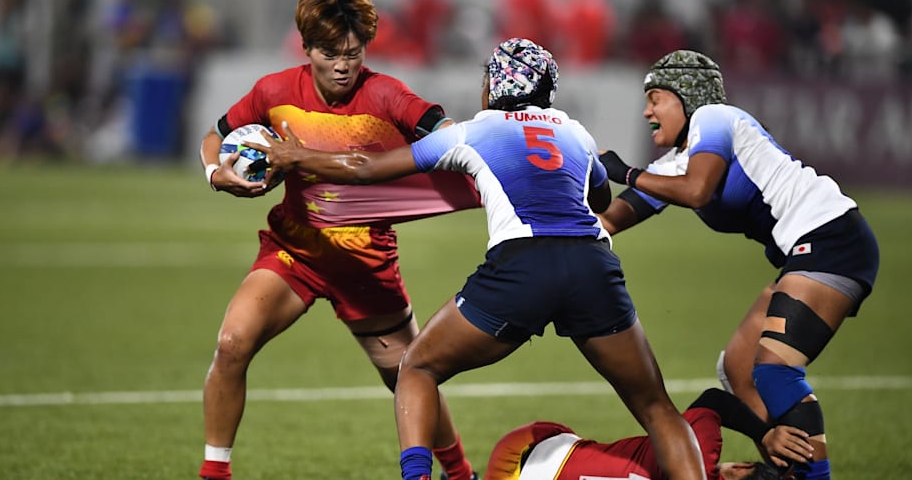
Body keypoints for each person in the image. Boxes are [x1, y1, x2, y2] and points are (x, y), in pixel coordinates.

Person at [247, 37, 708, 480]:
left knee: (417, 368)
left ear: (494, 85)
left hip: (523, 266)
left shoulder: (474, 131)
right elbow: (600, 200)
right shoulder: (576, 133)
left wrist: (298, 156)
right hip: (593, 265)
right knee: (656, 407)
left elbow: (366, 168)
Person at [197, 0, 482, 480]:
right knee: (231, 344)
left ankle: (460, 475)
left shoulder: (385, 94)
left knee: (409, 376)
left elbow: (442, 128)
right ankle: (214, 474)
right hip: (295, 250)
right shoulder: (274, 91)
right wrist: (216, 173)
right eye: (329, 54)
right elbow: (215, 136)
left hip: (365, 263)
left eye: (353, 53)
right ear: (307, 48)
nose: (343, 66)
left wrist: (453, 137)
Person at [598, 50, 880, 479]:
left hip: (831, 237)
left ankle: (813, 476)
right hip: (809, 249)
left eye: (656, 99)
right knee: (738, 371)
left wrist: (625, 171)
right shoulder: (675, 163)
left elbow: (696, 190)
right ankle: (787, 467)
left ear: (688, 97)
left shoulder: (714, 117)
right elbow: (608, 222)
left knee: (776, 370)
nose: (646, 112)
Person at [483, 387, 814, 480]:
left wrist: (764, 435)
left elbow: (713, 401)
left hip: (522, 452)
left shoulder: (700, 455)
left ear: (742, 468)